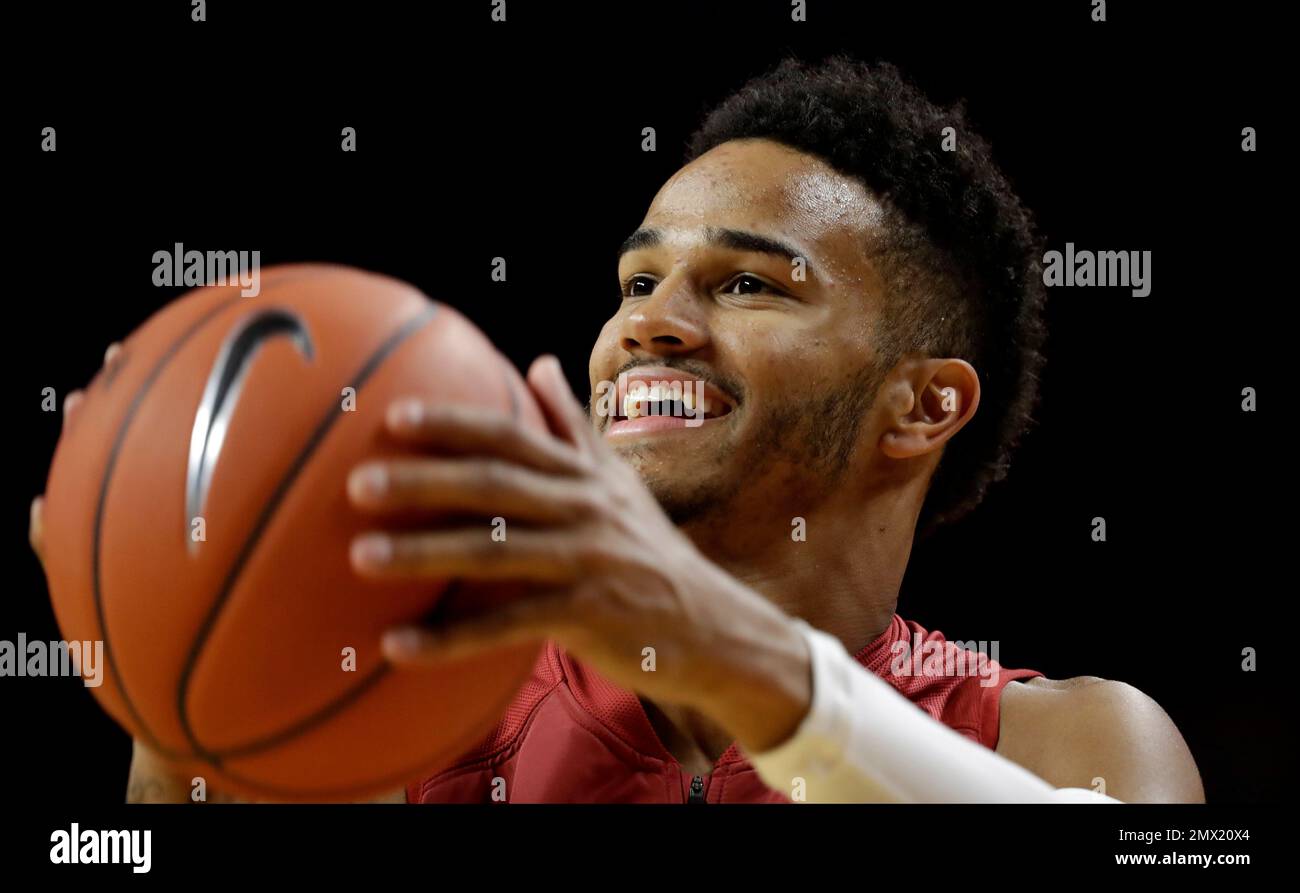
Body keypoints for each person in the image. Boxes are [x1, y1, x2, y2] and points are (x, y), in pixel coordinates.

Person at [31, 57, 1203, 803]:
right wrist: (179, 715)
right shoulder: (416, 716)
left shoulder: (1066, 739)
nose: (651, 326)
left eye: (747, 286)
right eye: (637, 282)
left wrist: (730, 655)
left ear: (925, 403)